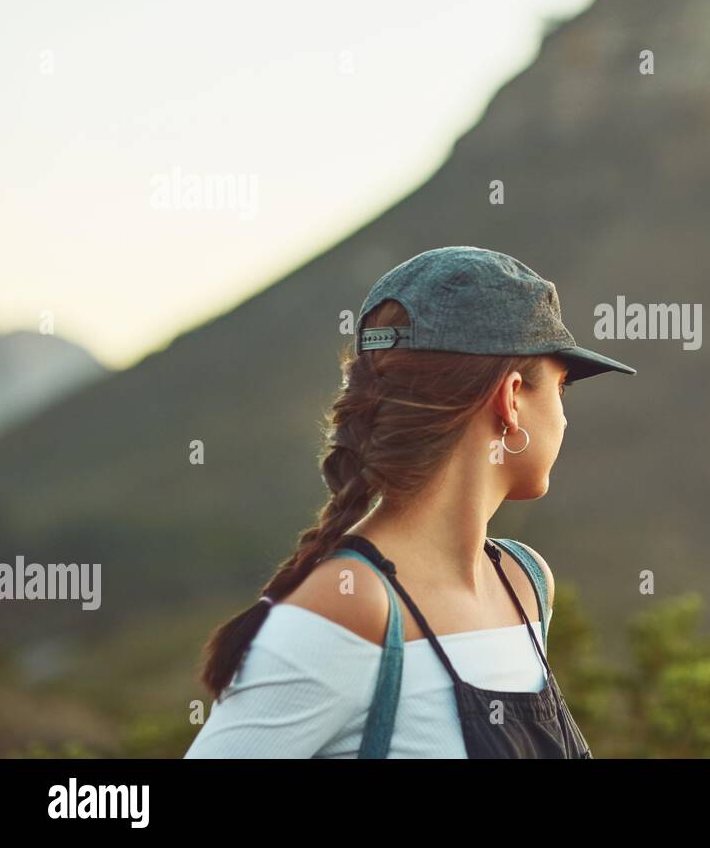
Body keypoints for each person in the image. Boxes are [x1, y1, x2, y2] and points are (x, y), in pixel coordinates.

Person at [184, 246, 635, 758]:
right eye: (561, 388)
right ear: (511, 399)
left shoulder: (524, 583)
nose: (564, 415)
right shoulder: (352, 606)